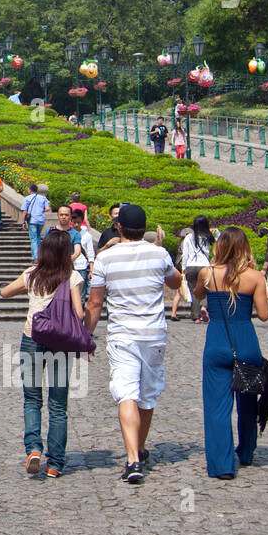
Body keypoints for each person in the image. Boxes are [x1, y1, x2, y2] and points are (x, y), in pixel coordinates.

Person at [84, 204, 182, 484]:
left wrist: (86, 337)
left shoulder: (107, 259)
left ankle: (132, 459)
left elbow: (95, 303)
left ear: (119, 228)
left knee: (126, 393)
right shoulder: (159, 254)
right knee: (147, 394)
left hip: (123, 334)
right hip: (153, 334)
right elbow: (176, 283)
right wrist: (164, 256)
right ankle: (139, 447)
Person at [0, 229, 85, 478]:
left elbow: (5, 292)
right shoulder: (72, 276)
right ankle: (55, 464)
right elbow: (79, 314)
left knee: (32, 398)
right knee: (58, 404)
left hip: (32, 338)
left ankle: (34, 449)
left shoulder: (31, 275)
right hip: (60, 342)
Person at [194, 227, 268, 479]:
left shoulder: (208, 273)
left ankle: (221, 465)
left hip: (217, 341)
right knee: (248, 402)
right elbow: (264, 315)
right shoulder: (256, 276)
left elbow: (197, 295)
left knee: (217, 406)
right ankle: (246, 451)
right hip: (246, 342)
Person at [178, 216, 216, 323]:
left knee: (193, 291)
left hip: (191, 266)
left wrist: (183, 268)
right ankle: (204, 307)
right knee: (206, 288)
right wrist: (216, 232)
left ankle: (196, 317)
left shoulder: (189, 237)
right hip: (204, 266)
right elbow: (220, 241)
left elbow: (185, 255)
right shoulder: (208, 237)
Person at [20, 183, 50, 261]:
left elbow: (24, 211)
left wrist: (23, 222)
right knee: (38, 237)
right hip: (41, 220)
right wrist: (40, 211)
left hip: (32, 220)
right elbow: (47, 208)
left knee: (33, 239)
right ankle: (40, 255)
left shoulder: (27, 198)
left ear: (30, 190)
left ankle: (35, 257)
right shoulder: (43, 198)